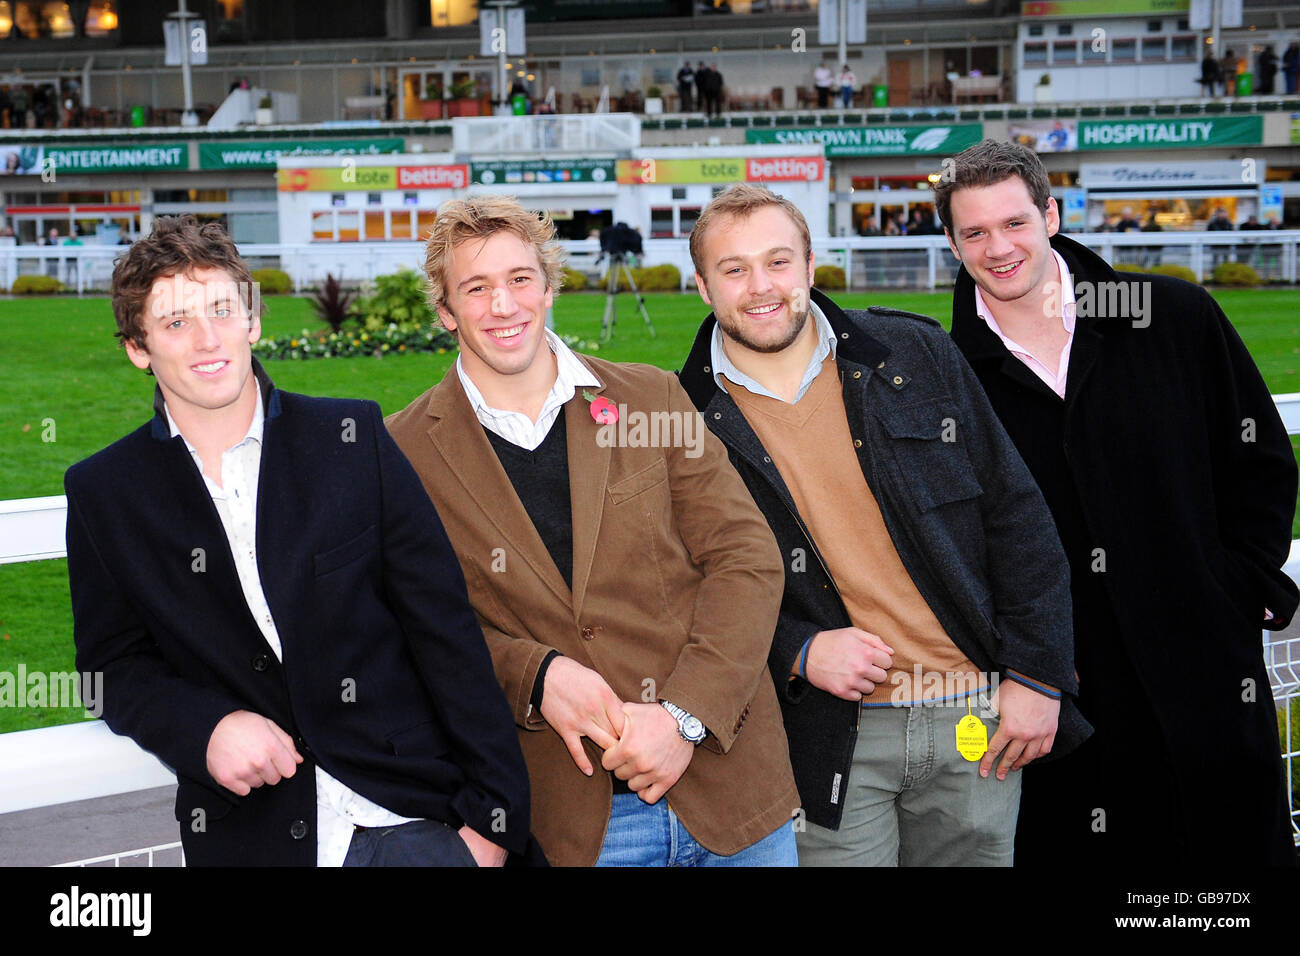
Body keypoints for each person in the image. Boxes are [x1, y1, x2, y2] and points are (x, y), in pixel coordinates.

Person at [65, 216, 540, 867]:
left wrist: (491, 828)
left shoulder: (350, 438)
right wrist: (203, 730)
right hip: (257, 838)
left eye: (222, 311)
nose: (208, 340)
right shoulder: (106, 492)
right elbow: (108, 669)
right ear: (138, 348)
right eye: (176, 322)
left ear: (252, 321)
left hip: (414, 821)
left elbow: (445, 629)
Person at [678, 183, 1087, 866]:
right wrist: (797, 652)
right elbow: (683, 584)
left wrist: (1041, 677)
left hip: (972, 717)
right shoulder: (680, 413)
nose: (761, 287)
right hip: (824, 734)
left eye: (778, 262)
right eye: (734, 268)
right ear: (702, 286)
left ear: (811, 266)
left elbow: (1016, 514)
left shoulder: (914, 353)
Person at [385, 195, 800, 867]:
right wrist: (534, 674)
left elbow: (746, 560)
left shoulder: (651, 397)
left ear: (548, 288)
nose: (503, 304)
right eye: (476, 287)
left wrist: (682, 717)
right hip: (574, 822)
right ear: (445, 311)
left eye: (520, 279)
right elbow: (415, 623)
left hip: (725, 791)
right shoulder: (401, 451)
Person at [937, 139, 1297, 867]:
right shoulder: (945, 372)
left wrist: (1237, 586)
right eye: (974, 232)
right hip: (1062, 693)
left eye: (1014, 224)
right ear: (951, 241)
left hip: (1203, 666)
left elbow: (1257, 461)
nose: (998, 248)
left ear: (1052, 214)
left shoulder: (1175, 316)